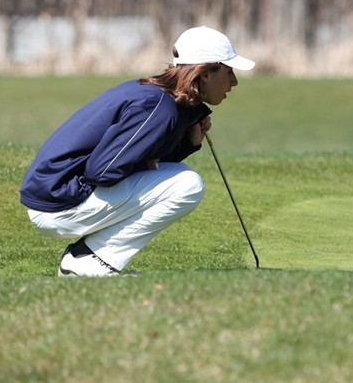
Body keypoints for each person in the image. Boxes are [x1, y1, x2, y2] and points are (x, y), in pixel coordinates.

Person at [20, 26, 255, 276]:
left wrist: (188, 143)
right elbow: (102, 171)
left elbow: (130, 159)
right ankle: (89, 261)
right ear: (206, 74)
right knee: (188, 184)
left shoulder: (158, 98)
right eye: (229, 72)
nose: (234, 82)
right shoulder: (158, 108)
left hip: (58, 194)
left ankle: (87, 259)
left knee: (176, 175)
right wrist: (160, 158)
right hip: (58, 201)